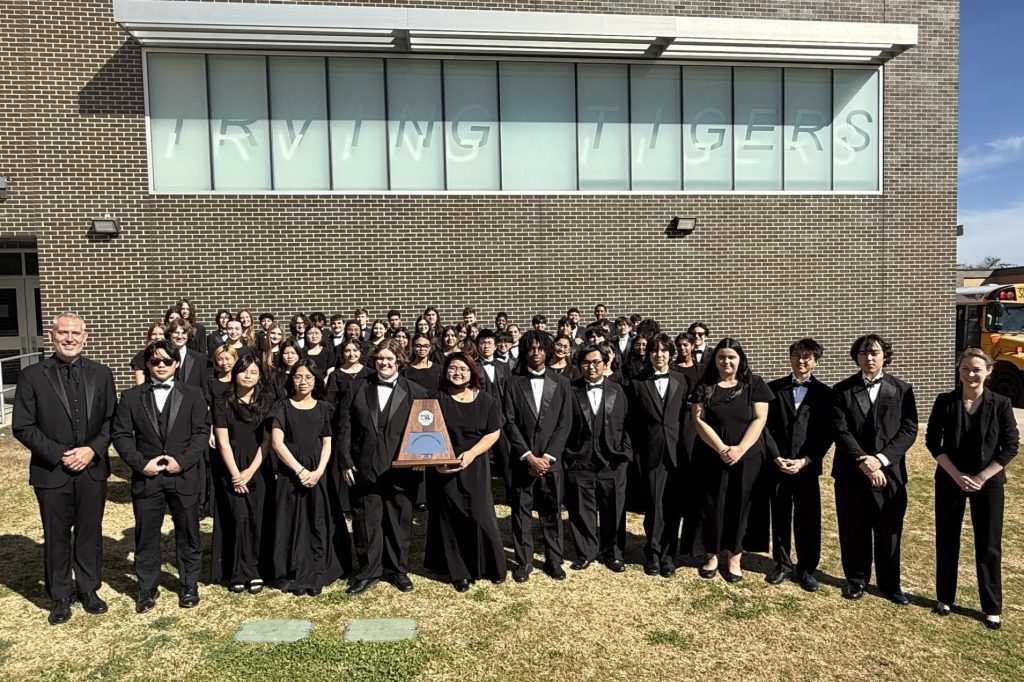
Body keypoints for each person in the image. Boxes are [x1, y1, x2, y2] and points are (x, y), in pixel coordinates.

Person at [13, 313, 117, 625]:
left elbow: (112, 421)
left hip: (92, 469)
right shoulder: (32, 376)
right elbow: (23, 426)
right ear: (51, 335)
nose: (69, 338)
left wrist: (91, 450)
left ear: (86, 337)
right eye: (63, 333)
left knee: (89, 532)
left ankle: (88, 588)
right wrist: (61, 455)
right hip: (51, 472)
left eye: (75, 333)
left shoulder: (102, 374)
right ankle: (59, 596)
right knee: (56, 535)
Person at [112, 338, 209, 613]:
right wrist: (141, 464)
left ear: (176, 364)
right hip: (148, 477)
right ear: (148, 364)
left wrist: (183, 461)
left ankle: (189, 584)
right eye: (155, 361)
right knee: (146, 535)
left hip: (183, 476)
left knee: (188, 532)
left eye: (167, 361)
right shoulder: (131, 397)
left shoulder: (193, 395)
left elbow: (202, 432)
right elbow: (120, 435)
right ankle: (146, 588)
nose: (161, 365)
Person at [926, 348, 1019, 629]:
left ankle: (991, 607)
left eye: (977, 369)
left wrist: (980, 478)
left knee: (988, 544)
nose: (970, 374)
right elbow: (933, 442)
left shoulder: (1001, 403)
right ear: (959, 370)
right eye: (965, 368)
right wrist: (956, 475)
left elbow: (1010, 445)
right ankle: (944, 598)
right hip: (950, 480)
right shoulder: (945, 401)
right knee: (947, 539)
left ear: (988, 371)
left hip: (988, 484)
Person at [336, 339, 430, 595]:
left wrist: (422, 458)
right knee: (366, 520)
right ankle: (369, 571)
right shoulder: (356, 387)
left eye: (389, 359)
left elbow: (425, 430)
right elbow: (344, 427)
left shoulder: (417, 392)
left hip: (401, 468)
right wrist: (344, 461)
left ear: (399, 360)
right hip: (363, 466)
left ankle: (397, 570)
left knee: (399, 520)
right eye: (380, 359)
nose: (384, 363)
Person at [832, 334, 918, 604]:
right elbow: (840, 429)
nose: (869, 358)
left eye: (875, 353)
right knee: (853, 528)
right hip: (851, 472)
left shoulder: (902, 389)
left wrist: (880, 459)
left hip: (889, 473)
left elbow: (909, 429)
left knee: (888, 530)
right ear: (856, 357)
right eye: (863, 353)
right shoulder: (842, 390)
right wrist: (864, 461)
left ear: (885, 356)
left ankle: (890, 584)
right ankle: (856, 579)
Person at [689, 337, 773, 583]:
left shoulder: (754, 384)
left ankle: (735, 557)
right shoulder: (704, 385)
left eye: (731, 357)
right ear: (715, 360)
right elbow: (698, 419)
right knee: (711, 505)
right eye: (721, 357)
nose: (726, 361)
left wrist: (739, 449)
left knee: (740, 503)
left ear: (740, 360)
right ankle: (711, 555)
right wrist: (722, 448)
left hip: (747, 456)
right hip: (710, 454)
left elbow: (759, 419)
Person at [424, 353, 508, 591]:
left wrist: (472, 453)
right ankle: (459, 572)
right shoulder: (435, 400)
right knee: (450, 518)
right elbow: (424, 434)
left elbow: (493, 432)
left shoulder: (487, 401)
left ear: (472, 372)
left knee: (481, 515)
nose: (457, 373)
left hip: (475, 464)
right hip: (444, 466)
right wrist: (435, 462)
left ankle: (491, 565)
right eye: (452, 368)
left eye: (462, 368)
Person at [269, 360, 347, 595]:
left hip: (318, 475)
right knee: (291, 521)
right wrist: (300, 471)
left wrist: (318, 471)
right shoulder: (282, 406)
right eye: (298, 377)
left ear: (316, 381)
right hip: (290, 475)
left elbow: (327, 442)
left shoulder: (324, 408)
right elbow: (277, 443)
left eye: (309, 378)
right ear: (291, 379)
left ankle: (316, 569)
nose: (303, 382)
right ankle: (291, 571)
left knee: (317, 521)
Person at [764, 339, 835, 592]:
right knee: (780, 515)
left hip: (806, 467)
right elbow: (765, 427)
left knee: (808, 518)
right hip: (779, 465)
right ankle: (781, 563)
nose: (801, 360)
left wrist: (806, 460)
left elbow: (826, 434)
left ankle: (806, 568)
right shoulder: (773, 389)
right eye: (796, 355)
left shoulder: (827, 395)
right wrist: (775, 457)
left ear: (816, 361)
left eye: (807, 357)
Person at [503, 329, 571, 582]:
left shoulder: (562, 383)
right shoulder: (511, 382)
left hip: (551, 463)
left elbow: (565, 424)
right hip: (523, 462)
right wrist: (528, 456)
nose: (536, 352)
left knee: (552, 512)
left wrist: (548, 457)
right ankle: (524, 561)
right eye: (531, 348)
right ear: (525, 351)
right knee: (521, 513)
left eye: (540, 348)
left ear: (548, 350)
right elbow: (508, 422)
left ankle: (554, 559)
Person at [564, 345, 632, 573]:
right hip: (579, 461)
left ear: (605, 364)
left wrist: (624, 453)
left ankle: (613, 552)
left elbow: (627, 425)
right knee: (582, 510)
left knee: (614, 508)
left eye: (596, 362)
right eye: (586, 362)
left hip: (612, 461)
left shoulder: (618, 390)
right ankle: (586, 552)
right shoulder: (570, 391)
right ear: (579, 365)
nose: (591, 367)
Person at [628, 333, 691, 578]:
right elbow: (632, 421)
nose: (659, 355)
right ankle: (652, 553)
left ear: (670, 354)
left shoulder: (682, 380)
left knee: (673, 505)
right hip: (650, 452)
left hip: (676, 453)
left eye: (664, 350)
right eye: (654, 351)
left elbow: (687, 418)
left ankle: (668, 555)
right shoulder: (637, 383)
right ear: (649, 354)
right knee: (654, 505)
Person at [211, 356, 273, 593]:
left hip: (258, 465)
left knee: (257, 518)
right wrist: (236, 474)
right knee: (237, 519)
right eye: (244, 371)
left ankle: (256, 570)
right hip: (230, 466)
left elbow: (268, 440)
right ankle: (236, 571)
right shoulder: (222, 401)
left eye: (254, 372)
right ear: (235, 373)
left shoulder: (266, 400)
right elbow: (223, 441)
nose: (248, 376)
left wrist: (250, 471)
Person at [166, 319, 206, 388]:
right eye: (176, 332)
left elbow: (204, 386)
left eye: (183, 333)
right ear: (170, 334)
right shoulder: (163, 356)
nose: (180, 336)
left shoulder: (199, 359)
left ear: (188, 335)